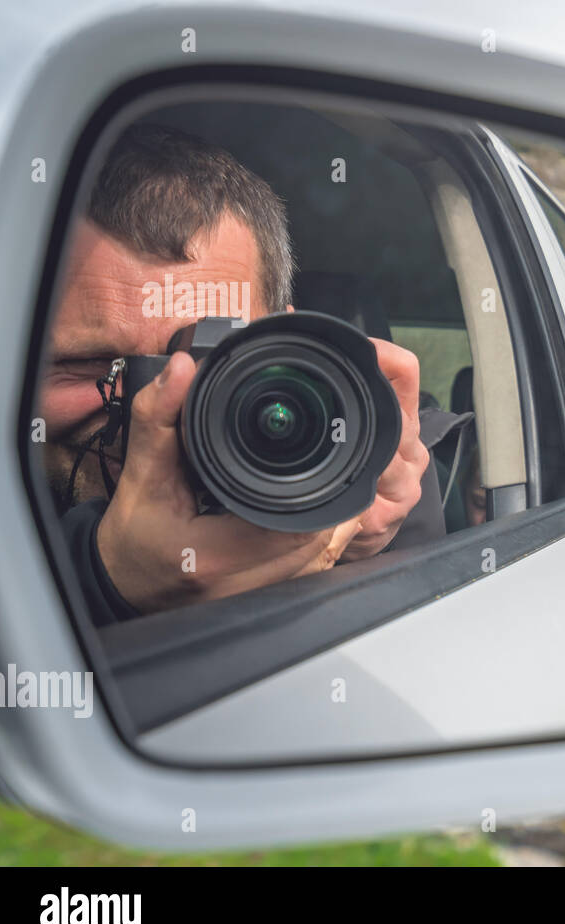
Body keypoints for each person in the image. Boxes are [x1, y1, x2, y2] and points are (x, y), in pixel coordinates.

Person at [40, 124, 436, 623]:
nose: (146, 406)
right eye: (89, 367)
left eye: (209, 358)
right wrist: (97, 579)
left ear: (296, 349)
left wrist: (357, 534)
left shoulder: (384, 464)